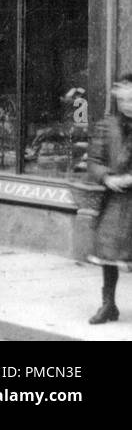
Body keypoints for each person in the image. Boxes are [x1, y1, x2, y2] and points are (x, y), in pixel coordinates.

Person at [86, 75, 132, 324]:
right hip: (115, 201)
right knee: (108, 252)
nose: (127, 105)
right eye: (123, 99)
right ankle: (108, 304)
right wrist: (106, 178)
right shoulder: (108, 125)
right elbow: (94, 161)